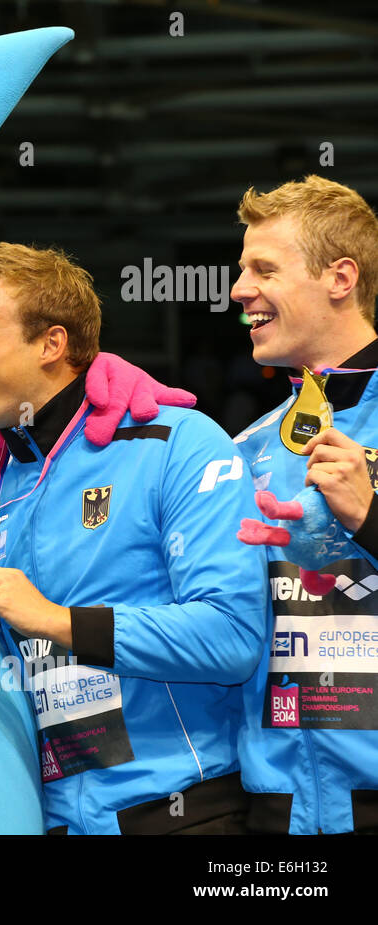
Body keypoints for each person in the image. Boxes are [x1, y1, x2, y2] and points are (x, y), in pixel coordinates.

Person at [0, 243, 267, 834]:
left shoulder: (175, 443)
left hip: (181, 816)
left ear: (51, 344)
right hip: (53, 821)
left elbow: (232, 636)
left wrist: (58, 621)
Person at [229, 175, 378, 833]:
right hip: (278, 809)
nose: (239, 290)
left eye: (264, 270)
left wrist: (370, 519)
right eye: (242, 270)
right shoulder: (242, 449)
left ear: (339, 278)